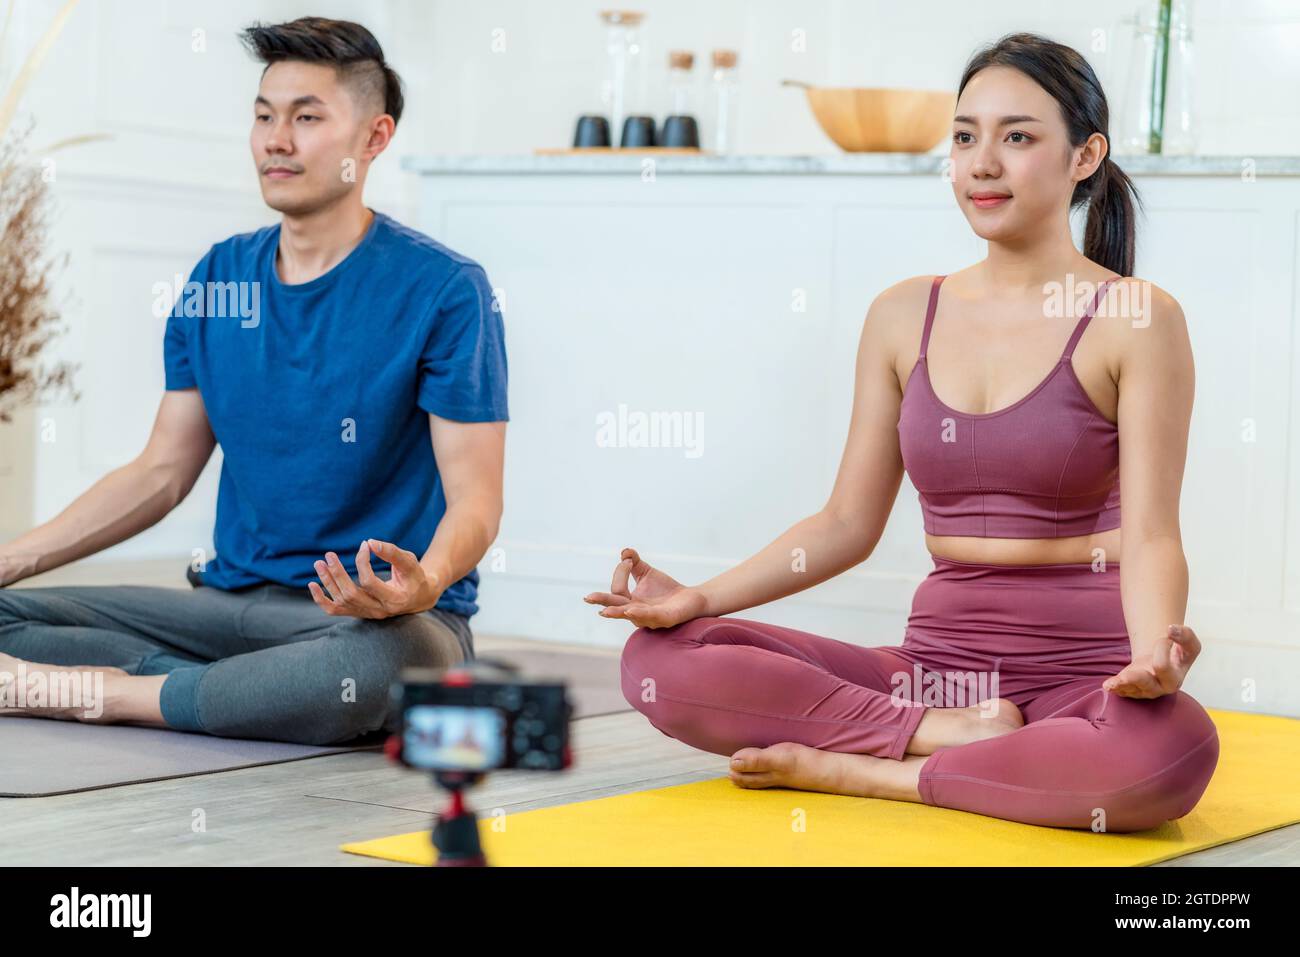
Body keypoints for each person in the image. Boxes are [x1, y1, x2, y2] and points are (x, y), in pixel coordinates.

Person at [585, 32, 1218, 833]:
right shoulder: (901, 313)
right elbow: (845, 524)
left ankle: (864, 770)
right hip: (935, 679)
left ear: (1085, 155)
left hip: (1079, 679)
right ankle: (937, 738)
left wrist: (1154, 655)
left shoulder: (1137, 318)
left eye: (1017, 136)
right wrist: (697, 597)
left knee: (1175, 748)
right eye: (965, 137)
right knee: (658, 662)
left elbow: (1155, 533)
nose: (981, 163)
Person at [0, 17, 508, 746]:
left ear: (373, 139)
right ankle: (214, 690)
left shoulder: (446, 289)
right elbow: (161, 471)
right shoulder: (218, 278)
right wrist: (11, 557)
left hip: (377, 623)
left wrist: (426, 581)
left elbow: (477, 500)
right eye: (265, 116)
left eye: (307, 118)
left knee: (391, 666)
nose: (276, 140)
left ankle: (118, 693)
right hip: (230, 609)